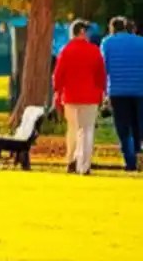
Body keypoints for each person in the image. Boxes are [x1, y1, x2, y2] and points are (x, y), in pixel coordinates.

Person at [53, 19, 107, 175]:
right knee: (87, 130)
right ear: (82, 32)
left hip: (70, 96)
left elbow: (58, 75)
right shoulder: (94, 51)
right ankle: (84, 165)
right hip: (90, 96)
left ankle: (71, 160)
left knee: (73, 129)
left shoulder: (66, 51)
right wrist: (101, 91)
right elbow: (101, 75)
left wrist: (58, 92)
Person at [101, 16, 143, 171]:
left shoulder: (108, 43)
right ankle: (139, 155)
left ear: (112, 29)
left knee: (123, 128)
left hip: (118, 91)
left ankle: (130, 162)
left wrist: (104, 93)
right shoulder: (141, 42)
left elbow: (104, 68)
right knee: (139, 125)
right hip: (140, 91)